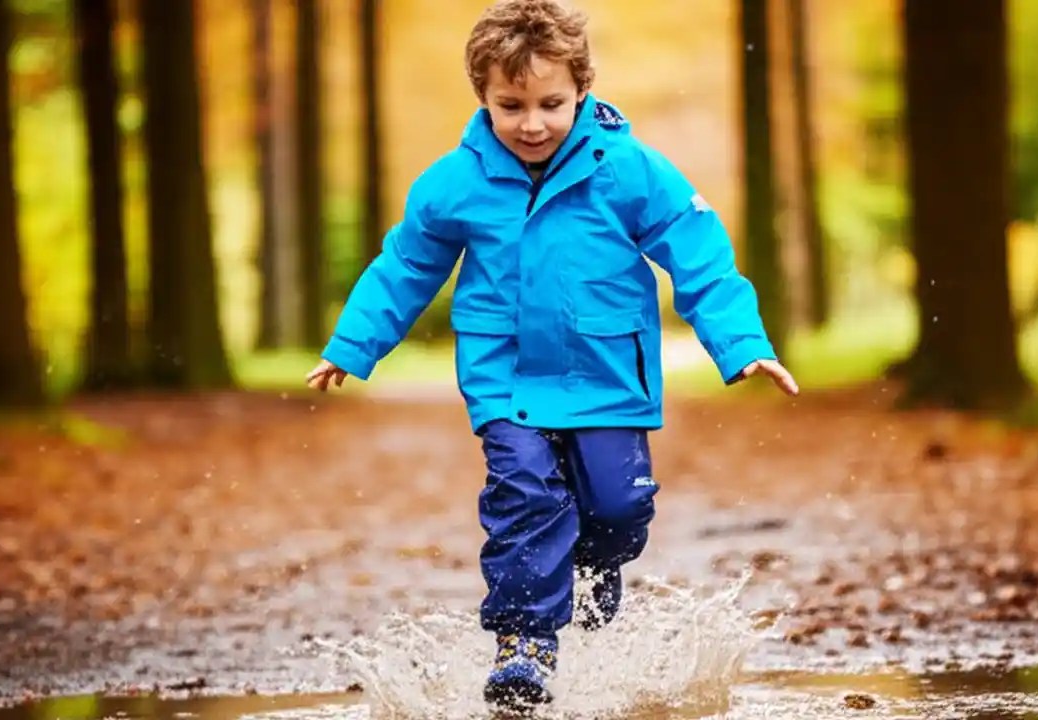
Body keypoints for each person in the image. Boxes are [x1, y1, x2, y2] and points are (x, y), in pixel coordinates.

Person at [304, 0, 799, 710]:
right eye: (510, 105)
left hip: (606, 376)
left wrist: (741, 343)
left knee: (618, 510)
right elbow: (403, 267)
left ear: (582, 91)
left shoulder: (630, 171)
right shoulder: (456, 182)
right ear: (483, 97)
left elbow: (701, 256)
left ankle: (596, 569)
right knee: (526, 498)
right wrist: (353, 346)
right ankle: (523, 644)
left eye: (550, 103)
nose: (531, 123)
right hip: (505, 381)